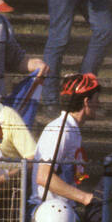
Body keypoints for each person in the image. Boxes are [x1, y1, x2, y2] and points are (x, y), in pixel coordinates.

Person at [31, 72, 99, 212]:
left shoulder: (71, 128)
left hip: (61, 209)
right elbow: (44, 177)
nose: (99, 103)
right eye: (97, 99)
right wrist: (85, 198)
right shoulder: (60, 130)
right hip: (47, 210)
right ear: (87, 102)